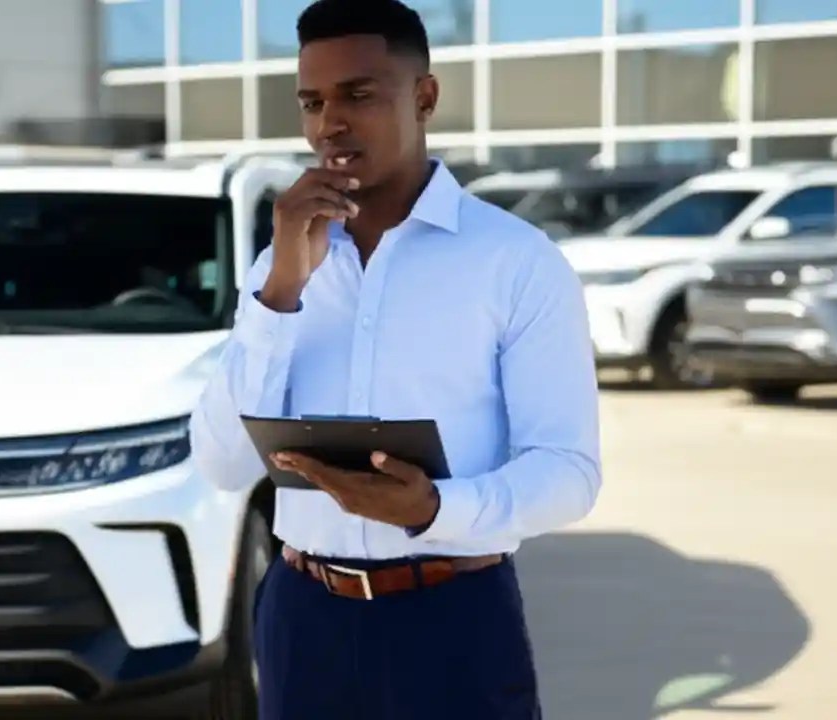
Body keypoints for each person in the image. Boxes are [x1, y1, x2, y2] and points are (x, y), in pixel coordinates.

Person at [188, 0, 602, 717]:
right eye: (312, 102)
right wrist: (281, 290)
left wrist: (436, 507)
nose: (329, 123)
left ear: (425, 97)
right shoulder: (277, 269)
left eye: (358, 94)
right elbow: (223, 463)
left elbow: (569, 472)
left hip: (452, 620)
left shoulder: (515, 261)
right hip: (301, 619)